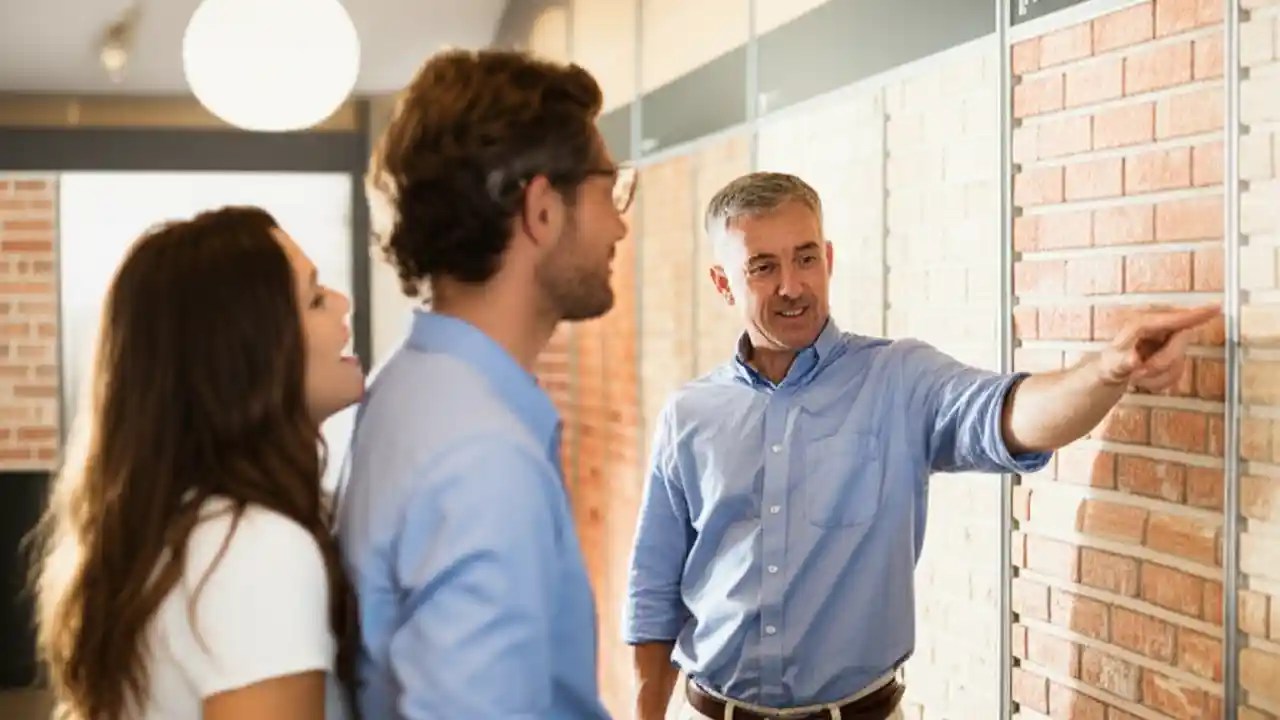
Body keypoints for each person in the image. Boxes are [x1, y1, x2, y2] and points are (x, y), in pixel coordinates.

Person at [624, 172, 1219, 720]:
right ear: (723, 282)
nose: (792, 285)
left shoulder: (899, 379)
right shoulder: (689, 416)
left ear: (828, 258)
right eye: (763, 267)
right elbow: (654, 593)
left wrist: (1105, 372)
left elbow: (1009, 415)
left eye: (806, 258)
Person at [336, 48, 632, 720]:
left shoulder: (408, 385)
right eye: (607, 192)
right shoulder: (482, 457)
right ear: (542, 210)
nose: (619, 224)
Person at [31, 206, 365, 720]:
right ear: (249, 354)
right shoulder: (254, 547)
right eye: (316, 299)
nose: (343, 305)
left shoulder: (188, 534)